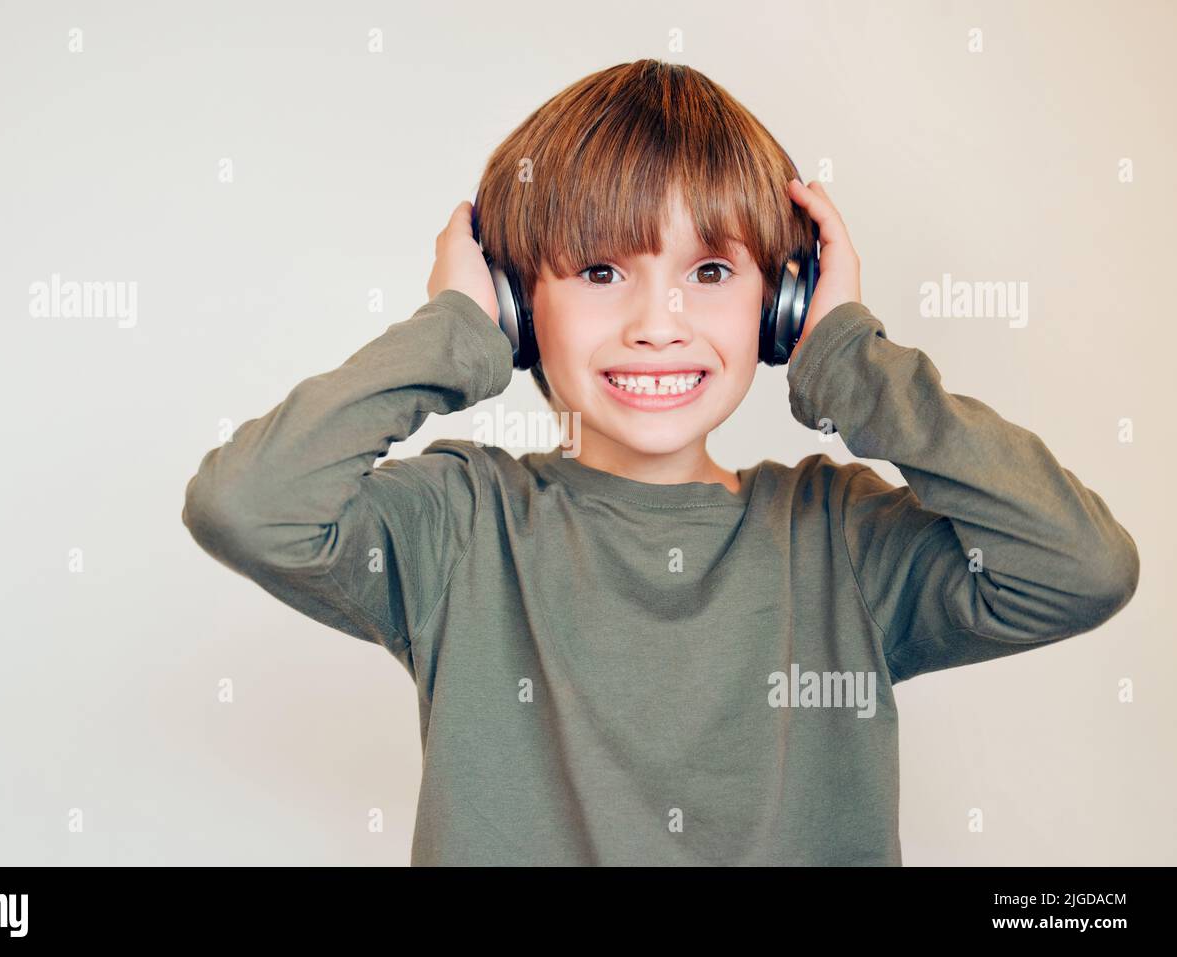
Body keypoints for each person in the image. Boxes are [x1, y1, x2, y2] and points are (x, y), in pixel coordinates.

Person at [181, 60, 1140, 865]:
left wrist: (850, 359)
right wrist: (452, 336)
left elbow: (1079, 567)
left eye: (710, 274)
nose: (655, 325)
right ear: (519, 306)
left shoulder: (841, 539)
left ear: (782, 306)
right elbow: (247, 505)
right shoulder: (460, 528)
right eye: (601, 273)